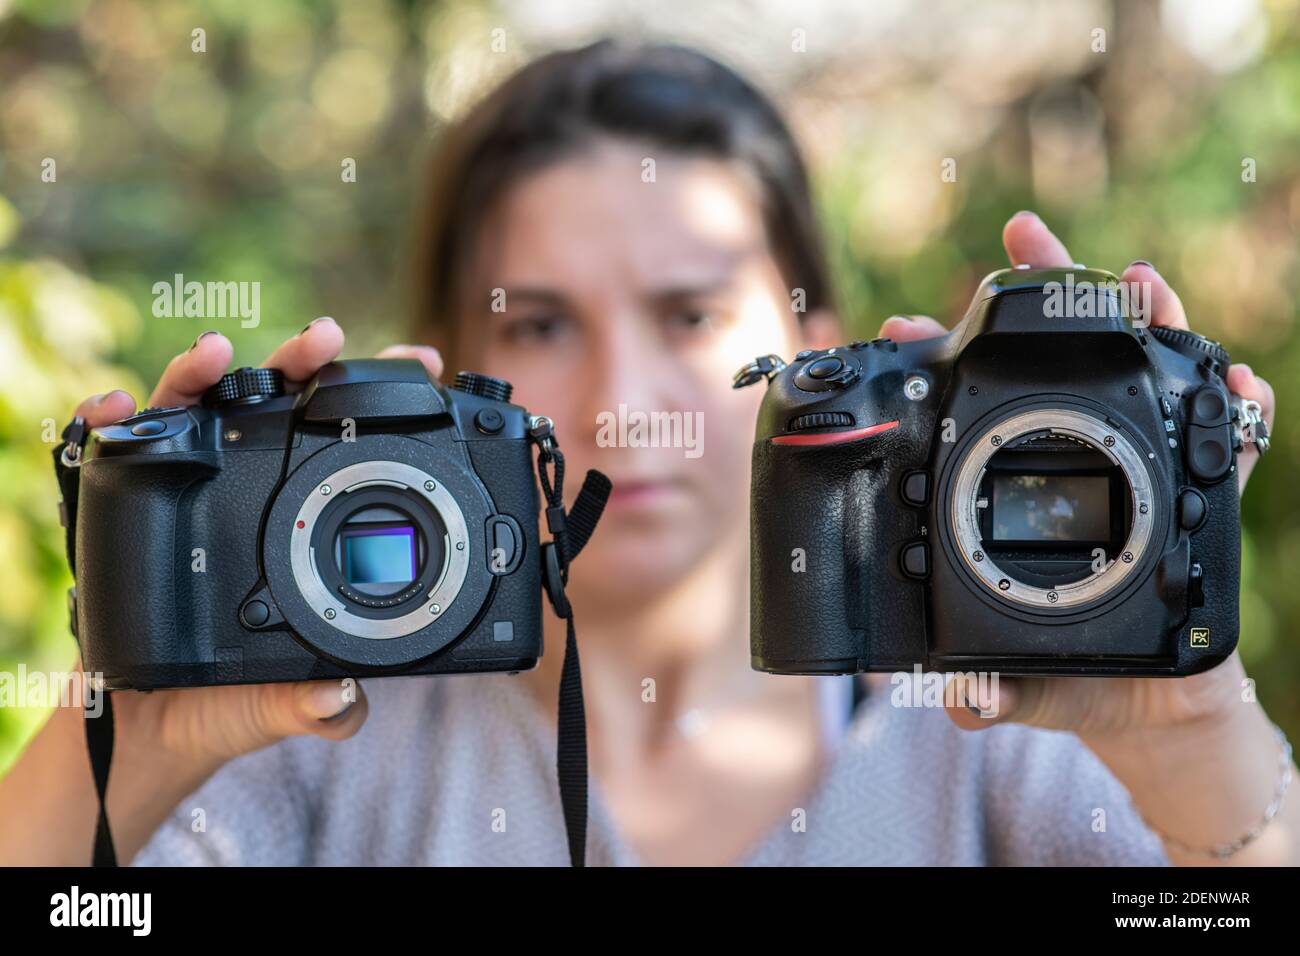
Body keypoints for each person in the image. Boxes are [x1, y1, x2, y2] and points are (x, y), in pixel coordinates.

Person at [0, 41, 1293, 867]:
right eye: (542, 325)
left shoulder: (985, 723)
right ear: (450, 368)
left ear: (817, 353)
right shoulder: (317, 738)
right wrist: (131, 731)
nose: (623, 404)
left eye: (688, 316)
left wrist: (1187, 731)